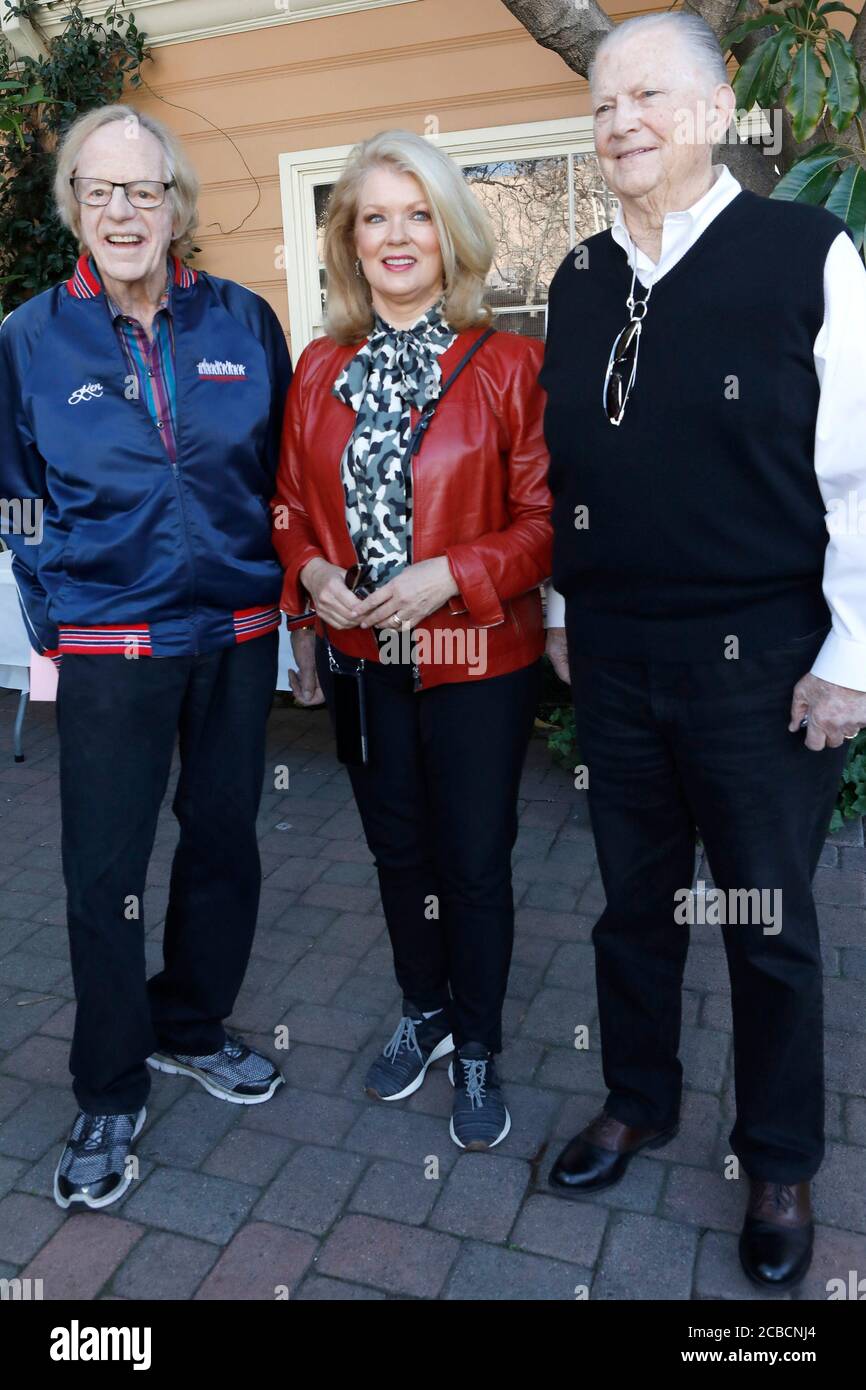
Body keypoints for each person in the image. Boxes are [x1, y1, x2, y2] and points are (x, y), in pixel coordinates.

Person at [540, 12, 866, 1288]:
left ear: (721, 106)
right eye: (604, 101)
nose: (622, 121)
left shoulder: (803, 253)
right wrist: (565, 607)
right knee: (631, 905)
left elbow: (857, 474)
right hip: (613, 655)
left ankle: (776, 1157)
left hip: (761, 658)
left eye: (651, 96)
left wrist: (852, 655)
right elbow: (574, 465)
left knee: (766, 922)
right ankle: (639, 1097)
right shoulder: (576, 276)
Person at [0, 105, 292, 1210]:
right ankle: (109, 1084)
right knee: (101, 874)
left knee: (223, 841)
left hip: (235, 632)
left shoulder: (243, 322)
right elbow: (12, 494)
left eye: (144, 190)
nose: (123, 211)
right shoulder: (29, 337)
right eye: (101, 190)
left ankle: (190, 1024)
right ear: (74, 203)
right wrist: (56, 604)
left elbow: (279, 482)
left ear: (178, 206)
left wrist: (293, 617)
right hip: (112, 641)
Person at [272, 129, 552, 1150]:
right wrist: (308, 580)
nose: (396, 236)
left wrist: (451, 571)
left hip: (476, 662)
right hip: (362, 666)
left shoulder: (512, 364)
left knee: (473, 860)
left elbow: (544, 523)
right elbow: (287, 507)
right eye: (372, 217)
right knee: (398, 853)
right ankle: (423, 1011)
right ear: (347, 239)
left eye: (417, 213)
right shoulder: (316, 368)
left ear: (450, 231)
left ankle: (476, 1042)